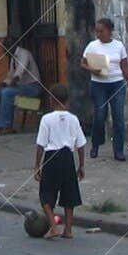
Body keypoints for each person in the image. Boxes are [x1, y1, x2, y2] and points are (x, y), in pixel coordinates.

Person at [32, 84, 87, 238]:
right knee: (69, 194)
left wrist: (37, 165)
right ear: (67, 100)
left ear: (51, 100)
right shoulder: (73, 119)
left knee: (46, 193)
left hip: (51, 157)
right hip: (68, 157)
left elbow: (40, 145)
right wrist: (81, 165)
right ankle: (68, 230)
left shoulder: (46, 119)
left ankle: (54, 226)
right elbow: (81, 145)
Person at [81, 17, 128, 160]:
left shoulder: (119, 46)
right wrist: (92, 69)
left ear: (109, 31)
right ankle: (96, 144)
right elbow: (83, 63)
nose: (98, 34)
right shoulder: (92, 46)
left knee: (118, 117)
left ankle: (118, 150)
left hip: (117, 83)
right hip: (98, 83)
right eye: (97, 31)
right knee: (100, 115)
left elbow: (124, 66)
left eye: (101, 31)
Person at [0, 37, 39, 133]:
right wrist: (4, 83)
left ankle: (7, 125)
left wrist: (12, 82)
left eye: (5, 48)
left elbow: (20, 71)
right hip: (20, 87)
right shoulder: (13, 57)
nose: (4, 50)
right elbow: (10, 76)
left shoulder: (24, 54)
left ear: (11, 46)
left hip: (32, 87)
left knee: (7, 93)